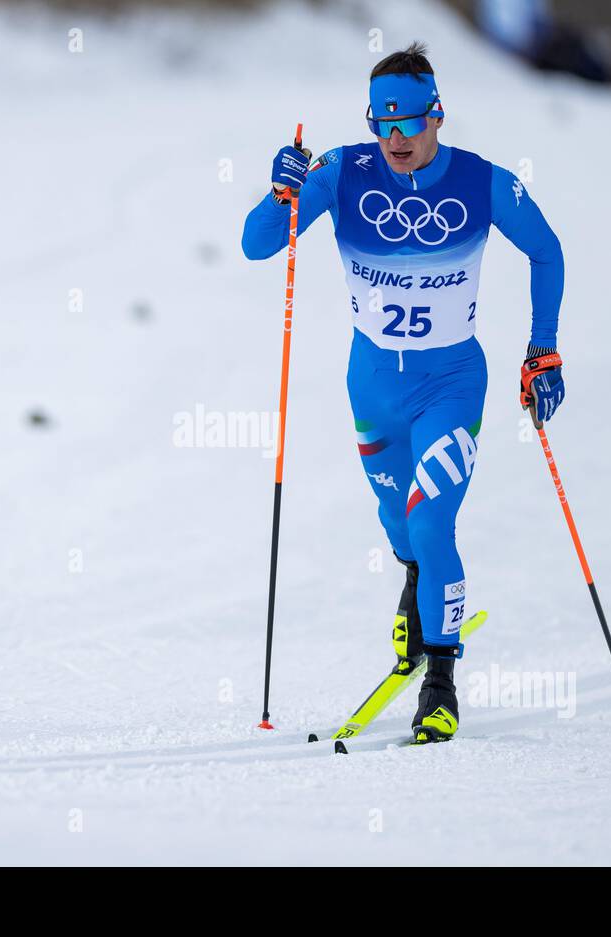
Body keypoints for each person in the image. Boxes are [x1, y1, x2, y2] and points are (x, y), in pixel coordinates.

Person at [241, 42, 566, 743]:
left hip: (450, 384)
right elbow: (256, 245)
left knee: (430, 517)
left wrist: (543, 347)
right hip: (372, 386)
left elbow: (547, 249)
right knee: (396, 519)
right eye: (381, 123)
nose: (394, 139)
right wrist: (280, 193)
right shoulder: (340, 171)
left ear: (437, 116)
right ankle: (415, 585)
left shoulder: (481, 183)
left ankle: (441, 679)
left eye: (408, 124)